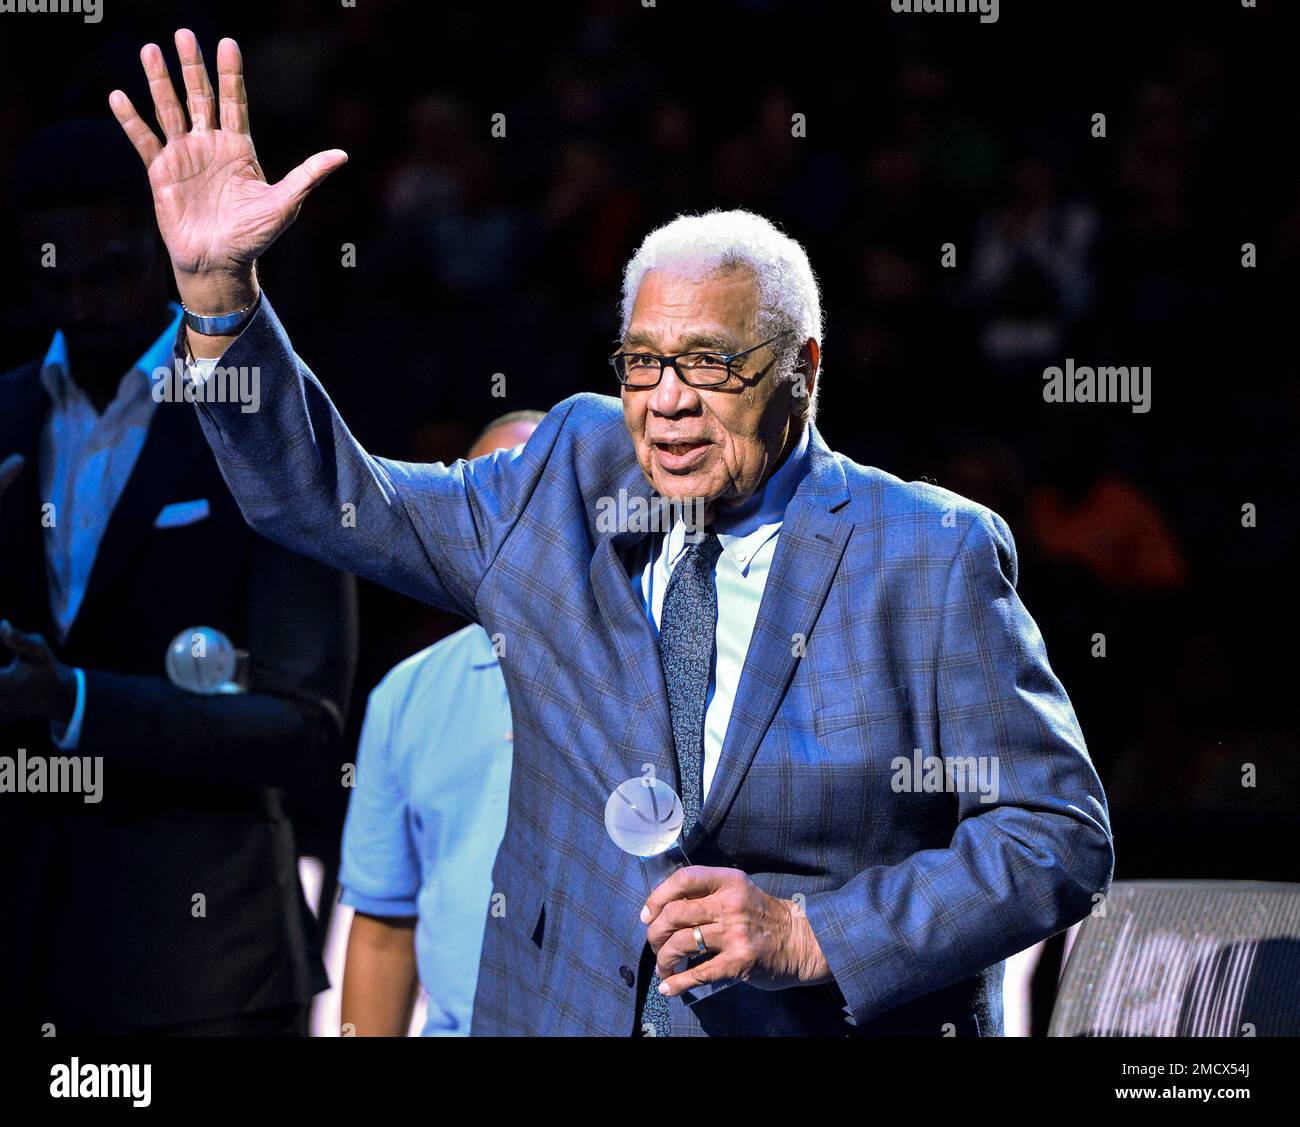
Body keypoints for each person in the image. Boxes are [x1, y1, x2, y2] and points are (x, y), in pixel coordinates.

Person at [106, 30, 1114, 1036]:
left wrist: (813, 931)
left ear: (803, 369)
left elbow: (1054, 835)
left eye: (710, 362)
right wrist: (220, 302)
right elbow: (324, 498)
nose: (665, 402)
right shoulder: (566, 477)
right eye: (641, 361)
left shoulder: (926, 555)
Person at [0, 119, 357, 1036]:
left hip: (208, 971)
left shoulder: (261, 418)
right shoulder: (4, 414)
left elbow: (305, 727)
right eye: (52, 278)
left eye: (107, 272)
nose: (78, 304)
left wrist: (76, 698)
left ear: (160, 249)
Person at [339, 412, 541, 1037]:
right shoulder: (408, 693)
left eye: (540, 494)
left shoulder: (662, 670)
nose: (514, 520)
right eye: (486, 498)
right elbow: (383, 925)